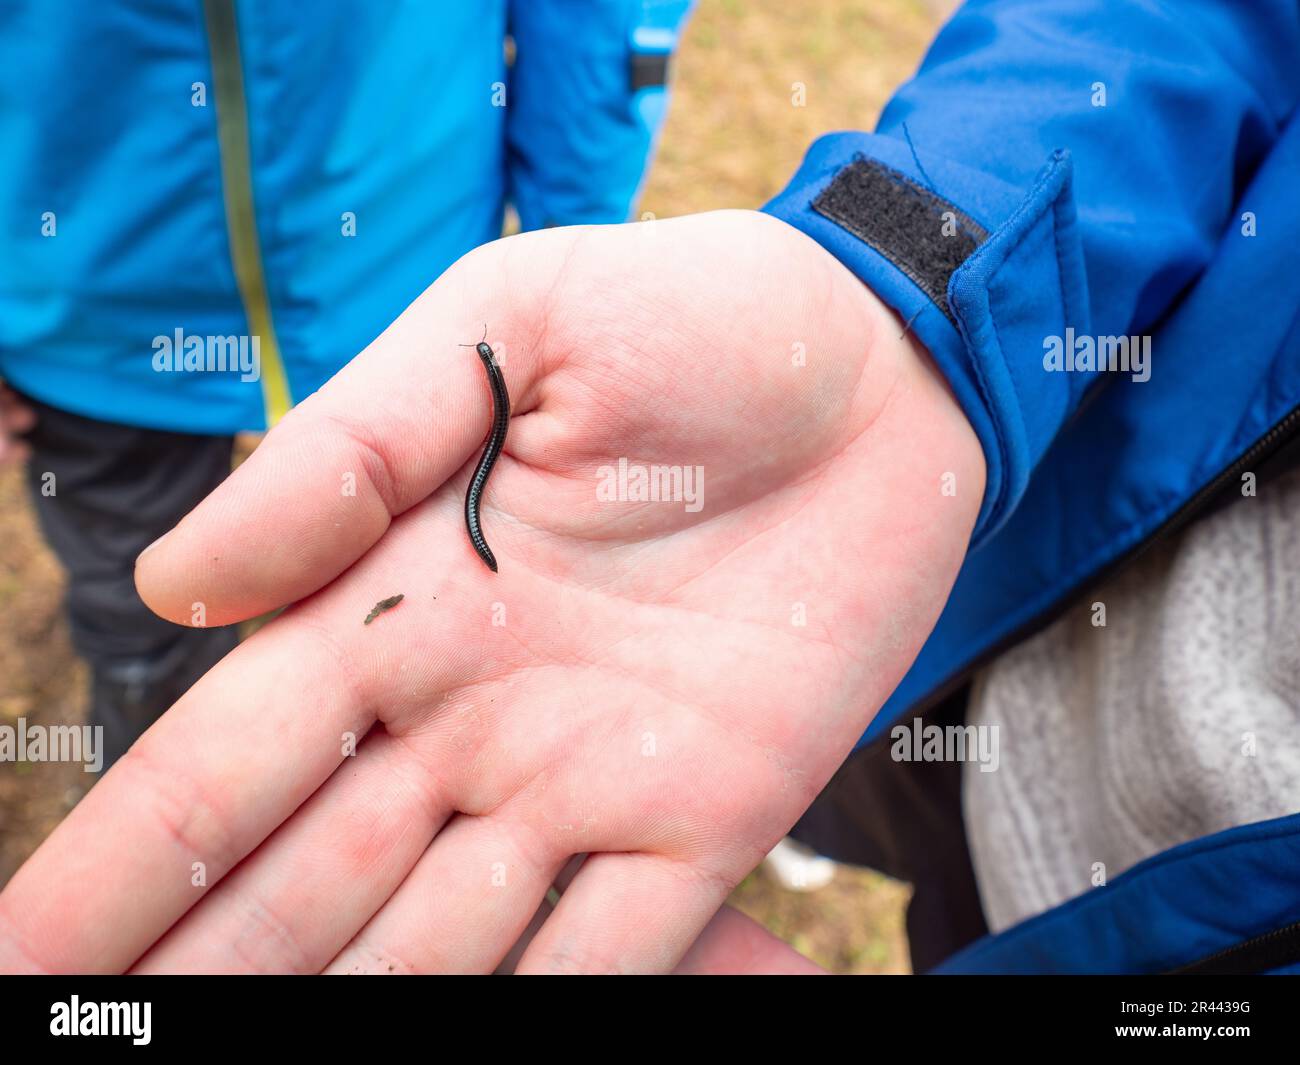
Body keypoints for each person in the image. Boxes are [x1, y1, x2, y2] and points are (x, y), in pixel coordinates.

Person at [3, 0, 1299, 974]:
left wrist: (573, 198)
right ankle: (150, 711)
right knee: (206, 587)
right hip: (961, 614)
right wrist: (906, 267)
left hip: (947, 750)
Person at [0, 0, 691, 768]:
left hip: (397, 281)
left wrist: (571, 247)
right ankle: (158, 746)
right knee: (144, 594)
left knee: (389, 584)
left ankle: (367, 761)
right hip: (91, 320)